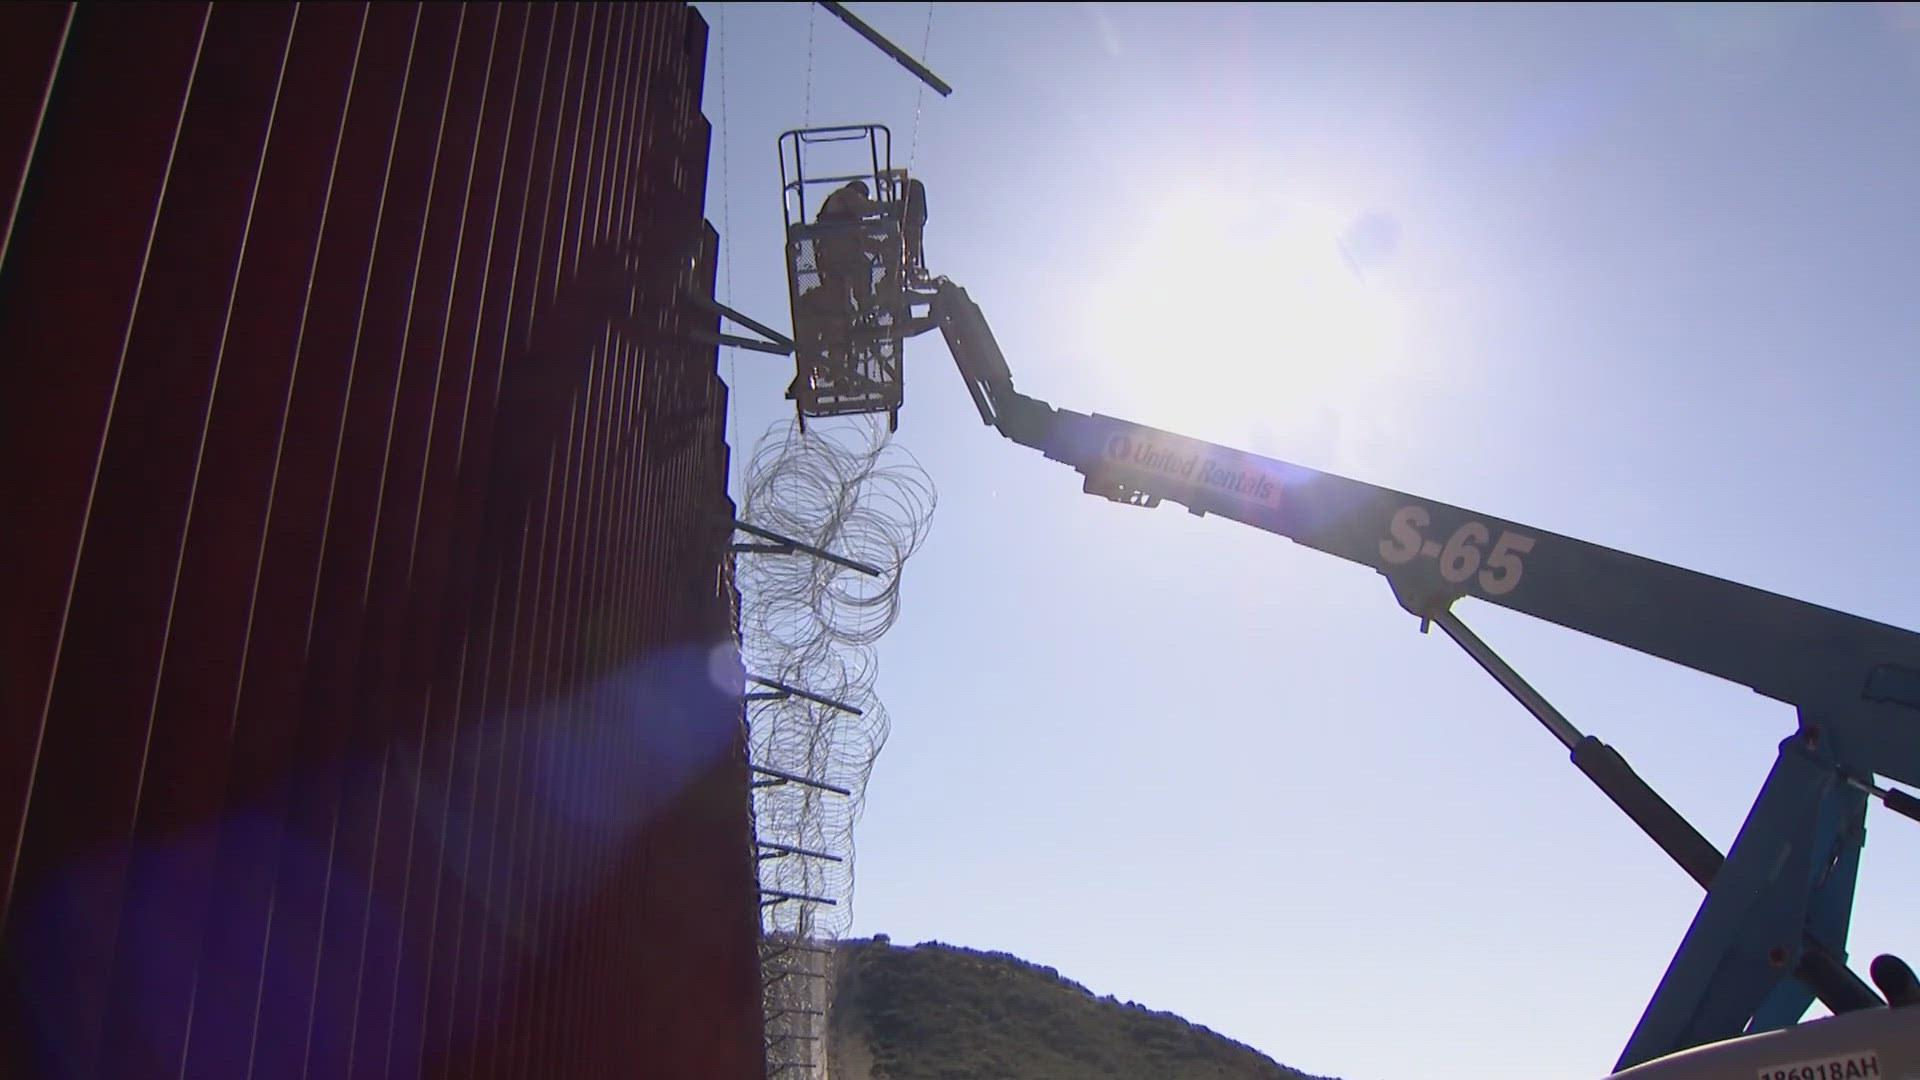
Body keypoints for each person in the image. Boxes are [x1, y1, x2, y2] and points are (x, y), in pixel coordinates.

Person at [815, 179, 880, 317]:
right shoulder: (844, 194)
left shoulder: (845, 218)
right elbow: (865, 208)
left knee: (842, 300)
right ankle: (865, 304)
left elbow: (859, 240)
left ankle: (857, 312)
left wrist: (880, 247)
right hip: (840, 253)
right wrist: (892, 207)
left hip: (833, 257)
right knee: (863, 266)